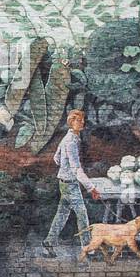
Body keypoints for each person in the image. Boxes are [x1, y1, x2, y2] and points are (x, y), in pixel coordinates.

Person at [42, 109, 100, 257]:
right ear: (71, 122)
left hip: (64, 183)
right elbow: (76, 168)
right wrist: (91, 187)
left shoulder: (69, 138)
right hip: (70, 184)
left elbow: (56, 158)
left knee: (61, 215)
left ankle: (48, 242)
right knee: (82, 215)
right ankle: (87, 247)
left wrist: (64, 166)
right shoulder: (71, 142)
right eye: (78, 120)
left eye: (82, 120)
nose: (82, 123)